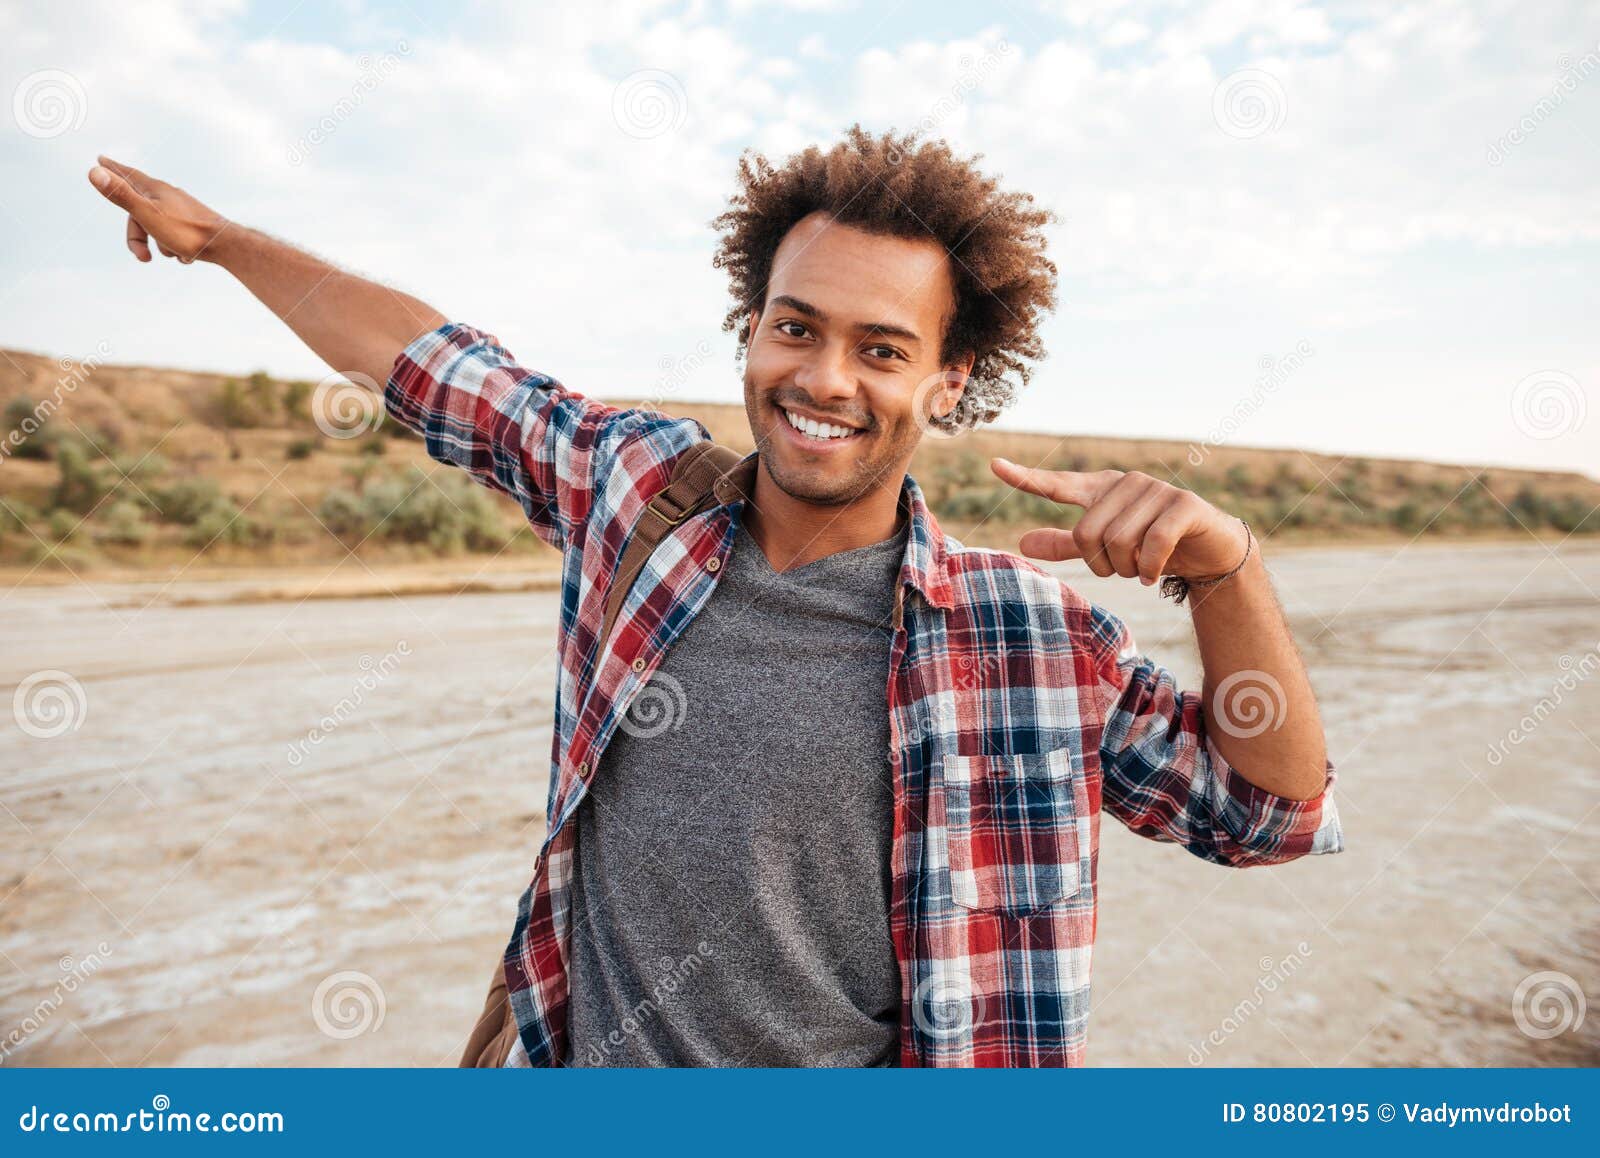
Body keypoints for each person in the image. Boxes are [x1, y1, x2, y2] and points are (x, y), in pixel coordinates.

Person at [86, 124, 1344, 1067]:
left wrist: (1226, 569)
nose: (826, 378)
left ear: (952, 379)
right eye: (795, 328)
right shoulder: (637, 498)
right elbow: (437, 366)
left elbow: (1266, 814)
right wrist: (227, 243)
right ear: (750, 328)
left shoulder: (1024, 635)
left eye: (883, 349)